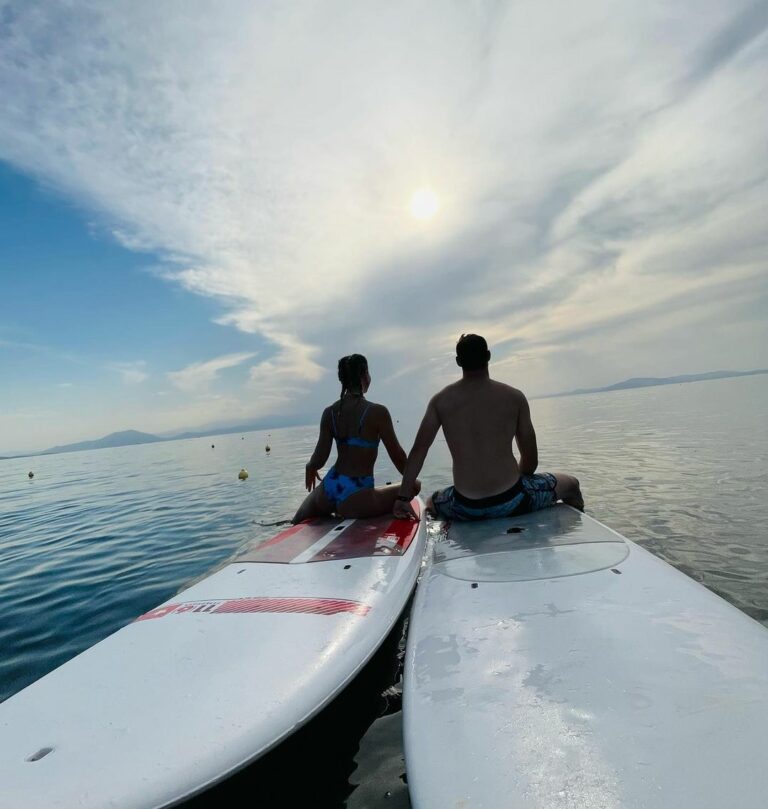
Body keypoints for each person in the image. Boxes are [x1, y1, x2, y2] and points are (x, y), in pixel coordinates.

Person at [393, 334, 583, 521]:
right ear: (489, 356)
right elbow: (530, 462)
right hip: (513, 499)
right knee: (572, 484)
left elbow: (419, 450)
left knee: (431, 502)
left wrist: (403, 498)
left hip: (465, 506)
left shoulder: (440, 401)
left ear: (459, 361)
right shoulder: (514, 397)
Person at [292, 354, 420, 523]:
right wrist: (408, 487)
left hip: (330, 487)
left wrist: (310, 466)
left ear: (342, 380)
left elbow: (319, 458)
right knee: (415, 484)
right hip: (357, 494)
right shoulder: (377, 412)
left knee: (296, 521)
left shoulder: (330, 412)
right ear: (365, 375)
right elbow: (399, 458)